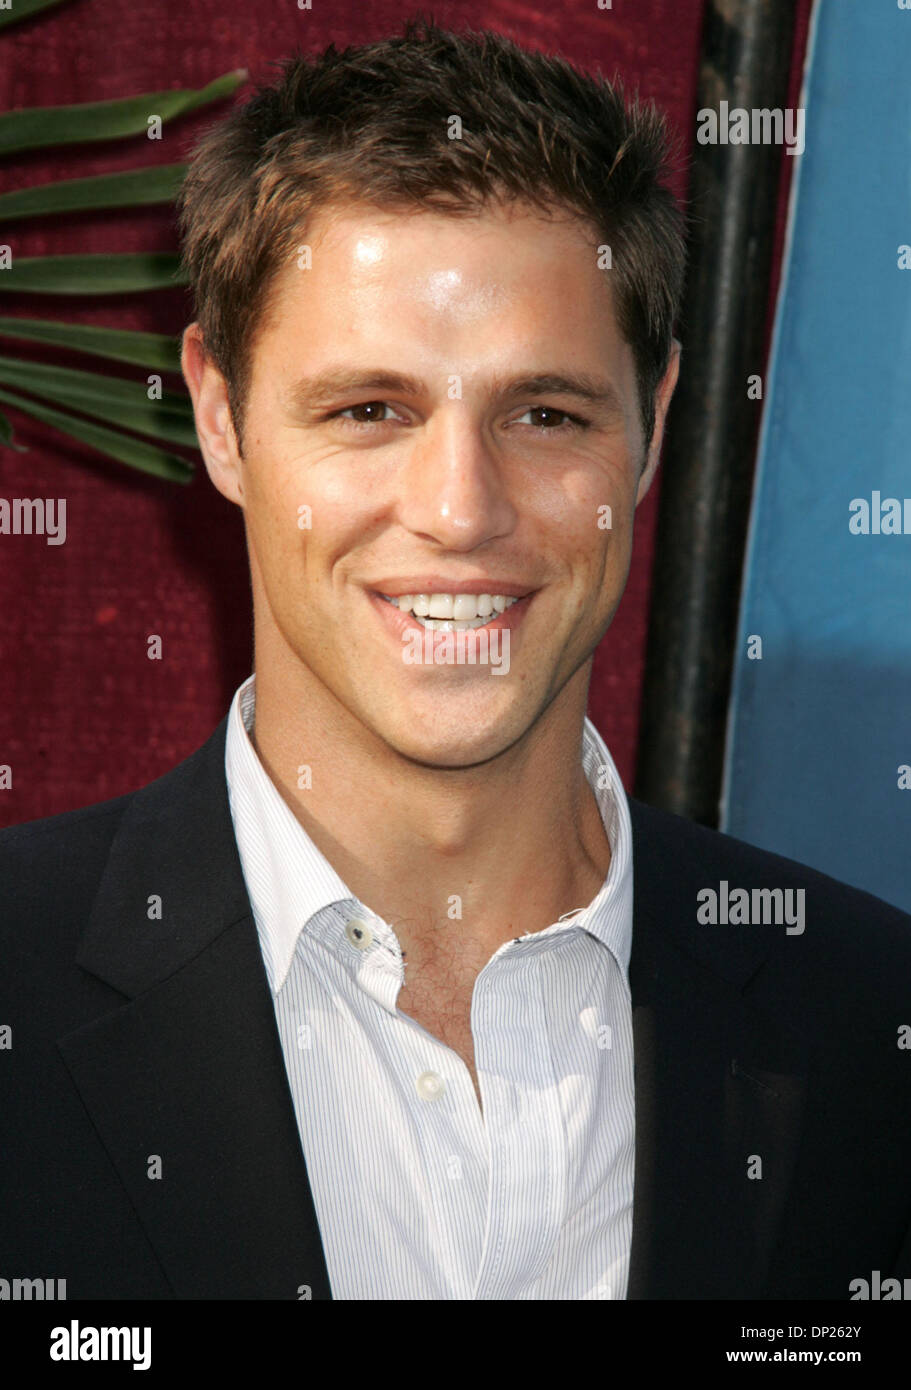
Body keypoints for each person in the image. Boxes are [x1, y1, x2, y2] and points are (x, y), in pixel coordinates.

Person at [2, 20, 910, 1302]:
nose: (459, 508)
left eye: (542, 413)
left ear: (650, 426)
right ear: (219, 417)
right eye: (368, 410)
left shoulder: (872, 1024)